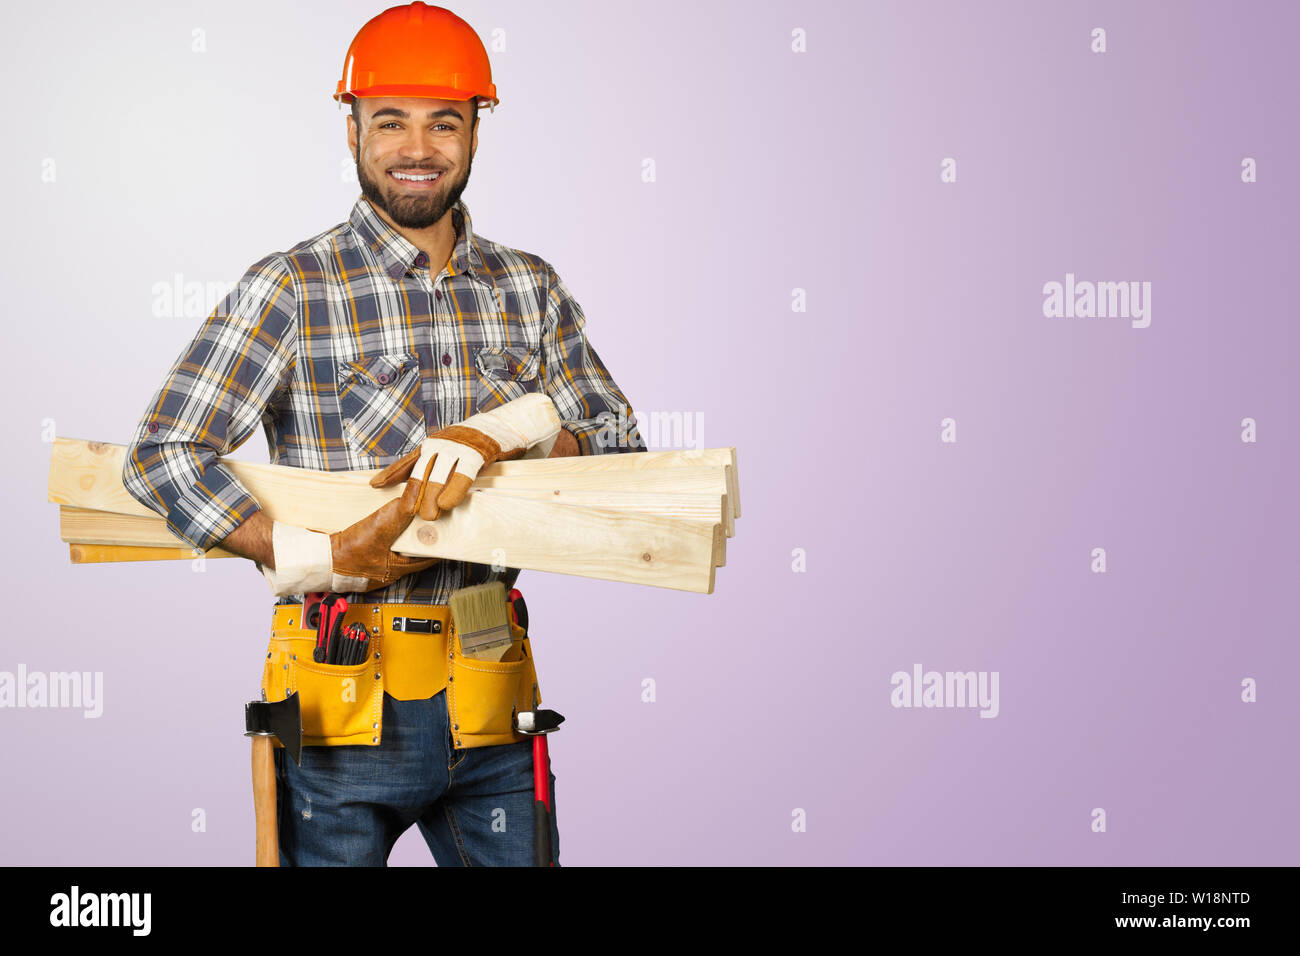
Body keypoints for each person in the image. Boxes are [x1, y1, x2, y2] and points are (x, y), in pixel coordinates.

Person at [121, 1, 646, 866]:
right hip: (341, 694)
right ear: (353, 130)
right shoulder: (294, 285)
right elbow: (162, 455)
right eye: (391, 120)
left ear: (475, 132)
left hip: (491, 686)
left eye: (445, 122)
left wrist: (511, 431)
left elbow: (620, 440)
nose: (418, 147)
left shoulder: (528, 286)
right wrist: (317, 555)